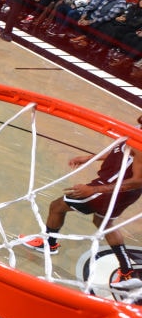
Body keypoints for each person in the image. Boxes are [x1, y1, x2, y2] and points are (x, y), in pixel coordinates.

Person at [22, 115, 142, 291]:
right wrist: (90, 158)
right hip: (120, 191)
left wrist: (94, 190)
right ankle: (127, 272)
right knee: (103, 222)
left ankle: (49, 243)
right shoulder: (138, 130)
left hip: (109, 189)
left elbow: (139, 180)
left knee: (57, 206)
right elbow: (122, 150)